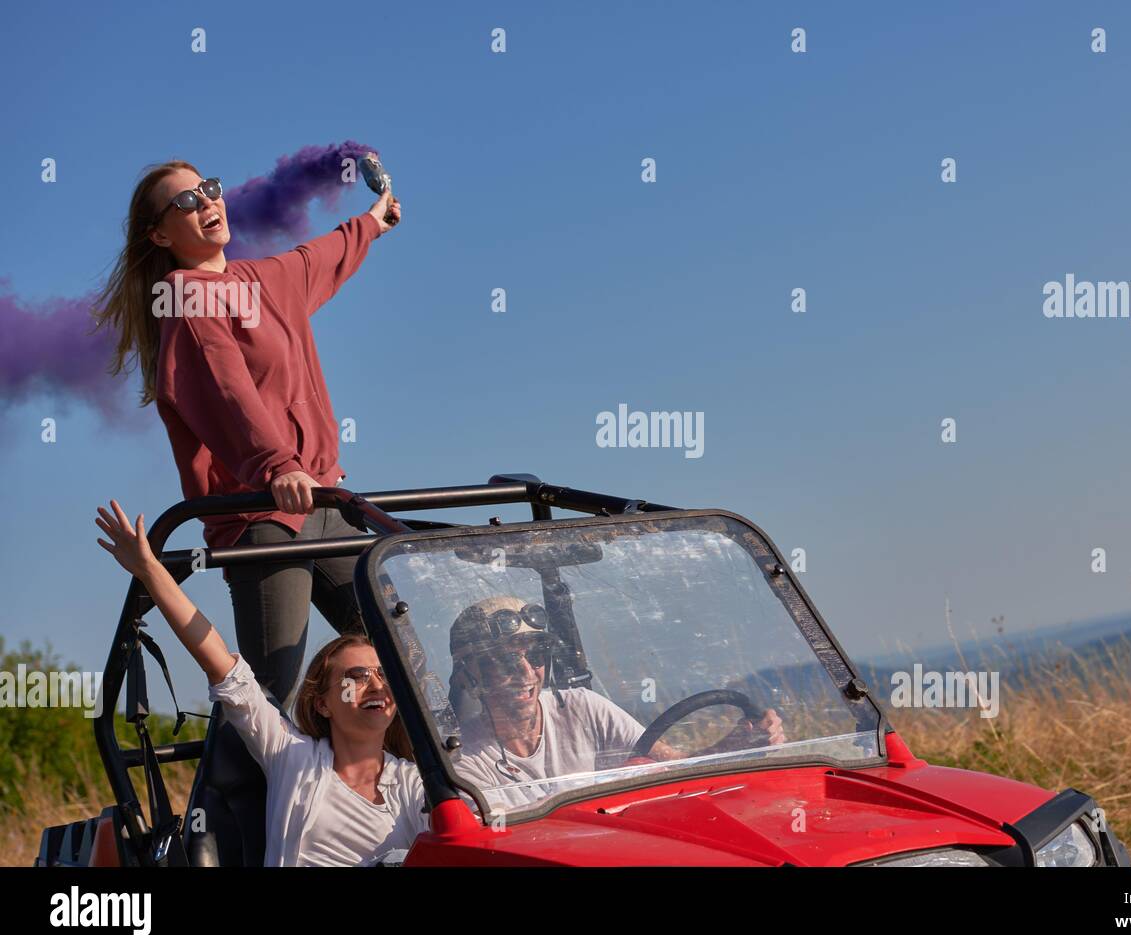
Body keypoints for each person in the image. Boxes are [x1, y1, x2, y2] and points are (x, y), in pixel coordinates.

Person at [93, 160, 400, 704]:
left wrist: (372, 221)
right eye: (185, 202)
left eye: (208, 190)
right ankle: (225, 793)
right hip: (259, 514)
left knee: (400, 646)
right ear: (159, 233)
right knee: (269, 691)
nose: (206, 203)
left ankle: (379, 783)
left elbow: (319, 256)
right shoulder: (185, 297)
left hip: (324, 502)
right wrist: (277, 464)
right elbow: (226, 391)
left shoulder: (263, 279)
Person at [95, 499, 426, 867]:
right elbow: (218, 661)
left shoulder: (414, 783)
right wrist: (149, 570)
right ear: (322, 703)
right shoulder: (291, 755)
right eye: (357, 676)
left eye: (383, 674)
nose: (376, 685)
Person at [448, 596, 785, 810]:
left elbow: (676, 767)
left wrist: (736, 745)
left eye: (536, 655)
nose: (526, 672)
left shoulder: (584, 708)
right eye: (506, 661)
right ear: (469, 676)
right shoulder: (464, 762)